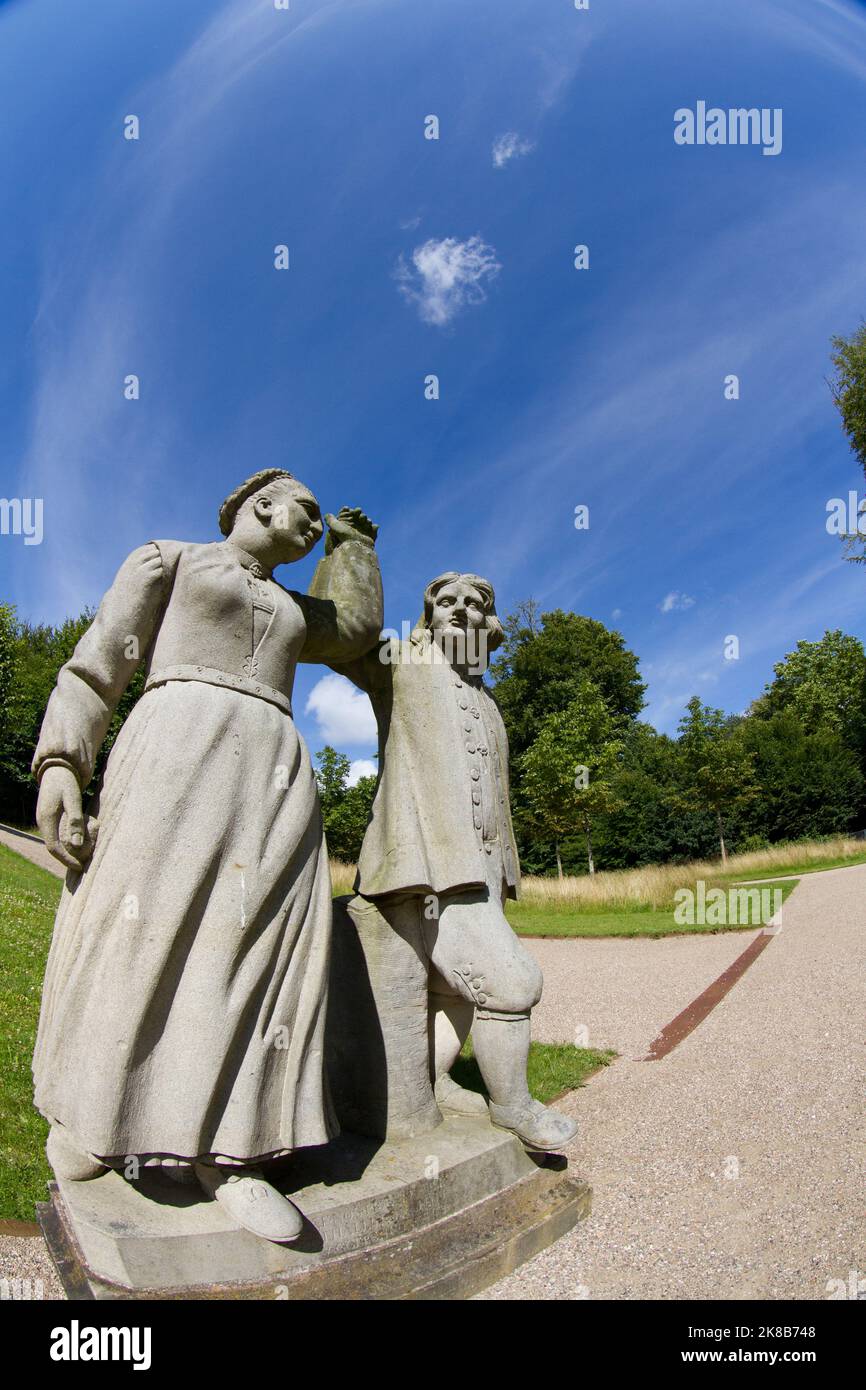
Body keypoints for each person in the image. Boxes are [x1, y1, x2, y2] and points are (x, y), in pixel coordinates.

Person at [32, 469, 382, 1241]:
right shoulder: (169, 560)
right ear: (261, 500)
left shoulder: (296, 608)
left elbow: (355, 627)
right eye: (309, 511)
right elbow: (98, 664)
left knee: (254, 956)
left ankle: (233, 1154)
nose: (314, 527)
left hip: (274, 778)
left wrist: (356, 544)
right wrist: (62, 762)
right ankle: (92, 1113)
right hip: (173, 753)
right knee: (135, 933)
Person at [332, 571, 578, 1151]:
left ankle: (436, 1082)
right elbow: (346, 638)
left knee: (452, 992)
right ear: (427, 616)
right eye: (445, 601)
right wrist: (352, 556)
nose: (461, 610)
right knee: (511, 983)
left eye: (475, 603)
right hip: (427, 871)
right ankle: (513, 1105)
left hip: (483, 870)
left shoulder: (487, 700)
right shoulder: (401, 664)